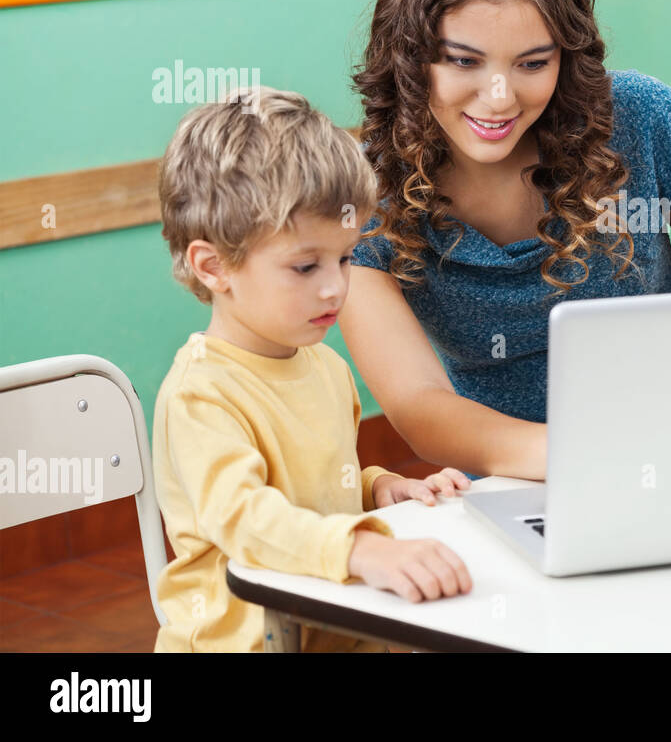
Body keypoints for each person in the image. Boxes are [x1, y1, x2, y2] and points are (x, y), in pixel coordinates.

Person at [342, 0, 671, 480]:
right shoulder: (364, 194)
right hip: (522, 489)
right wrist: (595, 458)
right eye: (464, 61)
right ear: (409, 58)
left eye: (532, 63)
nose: (500, 97)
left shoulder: (636, 121)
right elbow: (419, 407)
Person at [153, 87, 472, 652]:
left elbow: (324, 482)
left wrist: (380, 489)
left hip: (335, 630)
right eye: (304, 266)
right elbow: (245, 519)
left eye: (345, 258)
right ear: (213, 266)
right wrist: (363, 549)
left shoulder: (324, 367)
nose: (335, 286)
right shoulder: (200, 394)